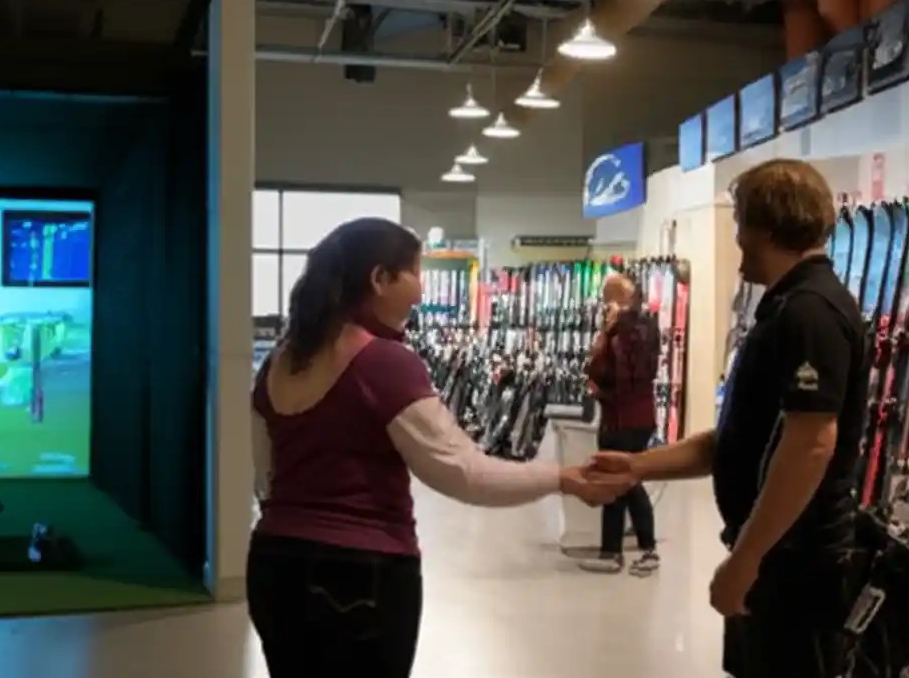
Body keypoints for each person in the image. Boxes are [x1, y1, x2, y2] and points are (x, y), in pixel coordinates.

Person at [246, 218, 632, 678]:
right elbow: (462, 472)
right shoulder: (384, 362)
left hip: (273, 565)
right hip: (358, 577)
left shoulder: (280, 358)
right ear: (380, 279)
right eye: (415, 272)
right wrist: (560, 477)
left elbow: (264, 477)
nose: (422, 290)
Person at [590, 158, 868, 677]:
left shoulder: (811, 312)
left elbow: (810, 446)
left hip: (795, 566)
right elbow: (740, 441)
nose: (736, 236)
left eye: (738, 221)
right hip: (775, 560)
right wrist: (636, 468)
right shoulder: (785, 309)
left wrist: (746, 560)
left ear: (764, 225)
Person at [579, 271, 661, 576]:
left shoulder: (617, 331)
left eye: (605, 295)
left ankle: (641, 548)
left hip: (619, 417)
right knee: (620, 480)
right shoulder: (649, 326)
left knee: (623, 481)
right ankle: (613, 550)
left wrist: (605, 335)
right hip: (642, 416)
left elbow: (603, 369)